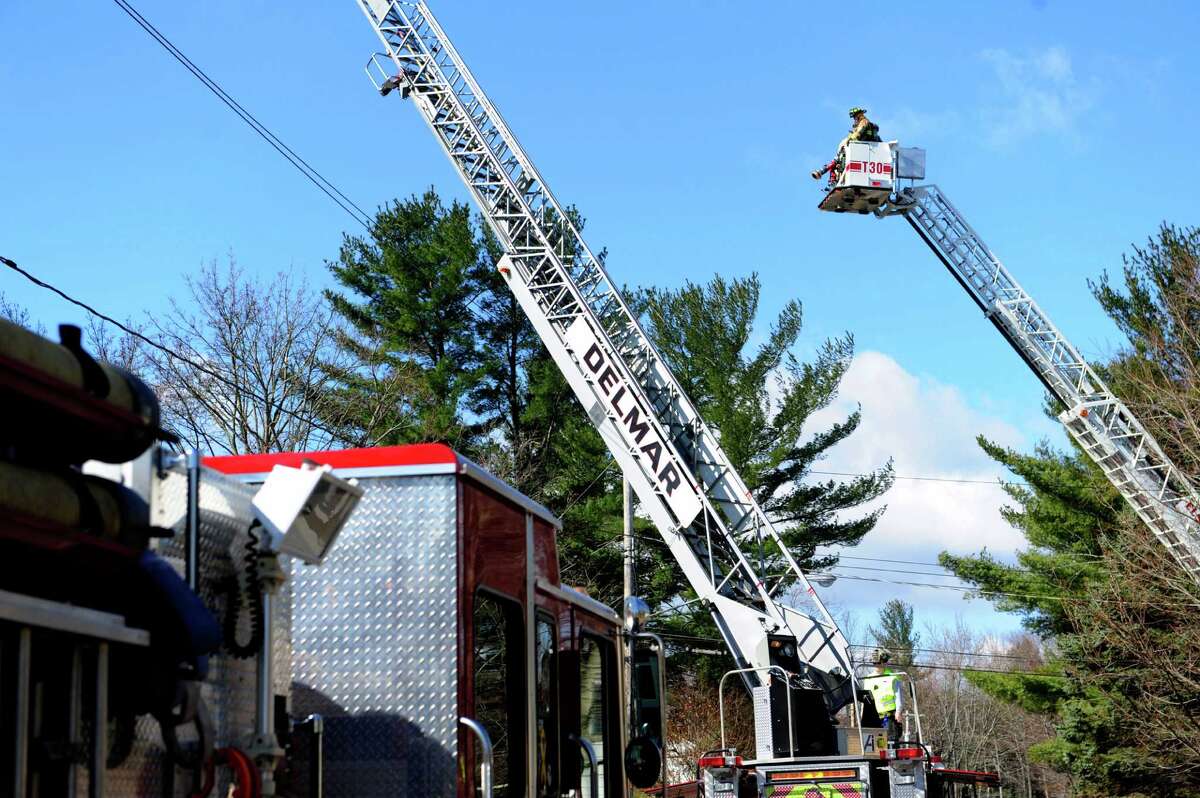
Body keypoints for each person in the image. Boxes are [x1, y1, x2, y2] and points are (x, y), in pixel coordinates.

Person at [811, 106, 882, 181]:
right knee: (838, 161)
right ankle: (830, 178)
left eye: (855, 116)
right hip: (862, 147)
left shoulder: (864, 121)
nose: (854, 118)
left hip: (862, 147)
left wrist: (850, 139)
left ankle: (823, 172)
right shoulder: (862, 124)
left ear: (859, 114)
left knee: (839, 158)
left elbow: (858, 134)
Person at [862, 650, 904, 746]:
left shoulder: (892, 678)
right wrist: (862, 716)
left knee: (890, 745)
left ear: (884, 662)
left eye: (879, 662)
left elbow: (899, 697)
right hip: (873, 718)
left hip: (888, 718)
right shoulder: (868, 679)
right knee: (874, 746)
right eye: (875, 663)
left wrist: (898, 712)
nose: (877, 665)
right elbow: (865, 700)